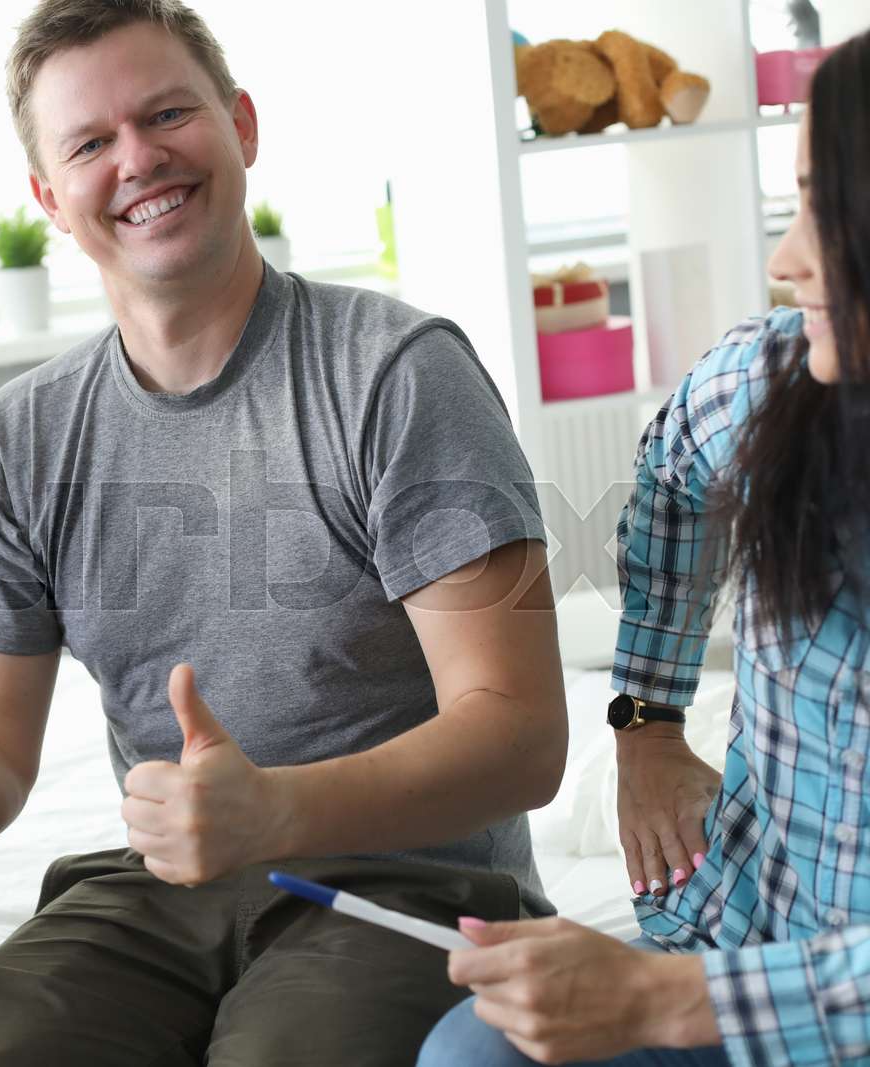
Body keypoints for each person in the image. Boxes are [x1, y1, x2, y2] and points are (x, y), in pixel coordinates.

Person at [0, 2, 569, 1062]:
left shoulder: (397, 374)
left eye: (167, 113)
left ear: (241, 126)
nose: (138, 159)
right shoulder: (20, 437)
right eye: (91, 143)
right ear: (50, 197)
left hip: (411, 882)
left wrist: (274, 811)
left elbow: (521, 733)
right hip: (160, 887)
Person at [418, 28, 870, 1067]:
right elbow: (668, 475)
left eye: (825, 208)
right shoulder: (771, 378)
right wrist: (645, 721)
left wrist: (666, 1000)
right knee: (468, 1053)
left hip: (783, 1004)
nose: (783, 256)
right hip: (756, 947)